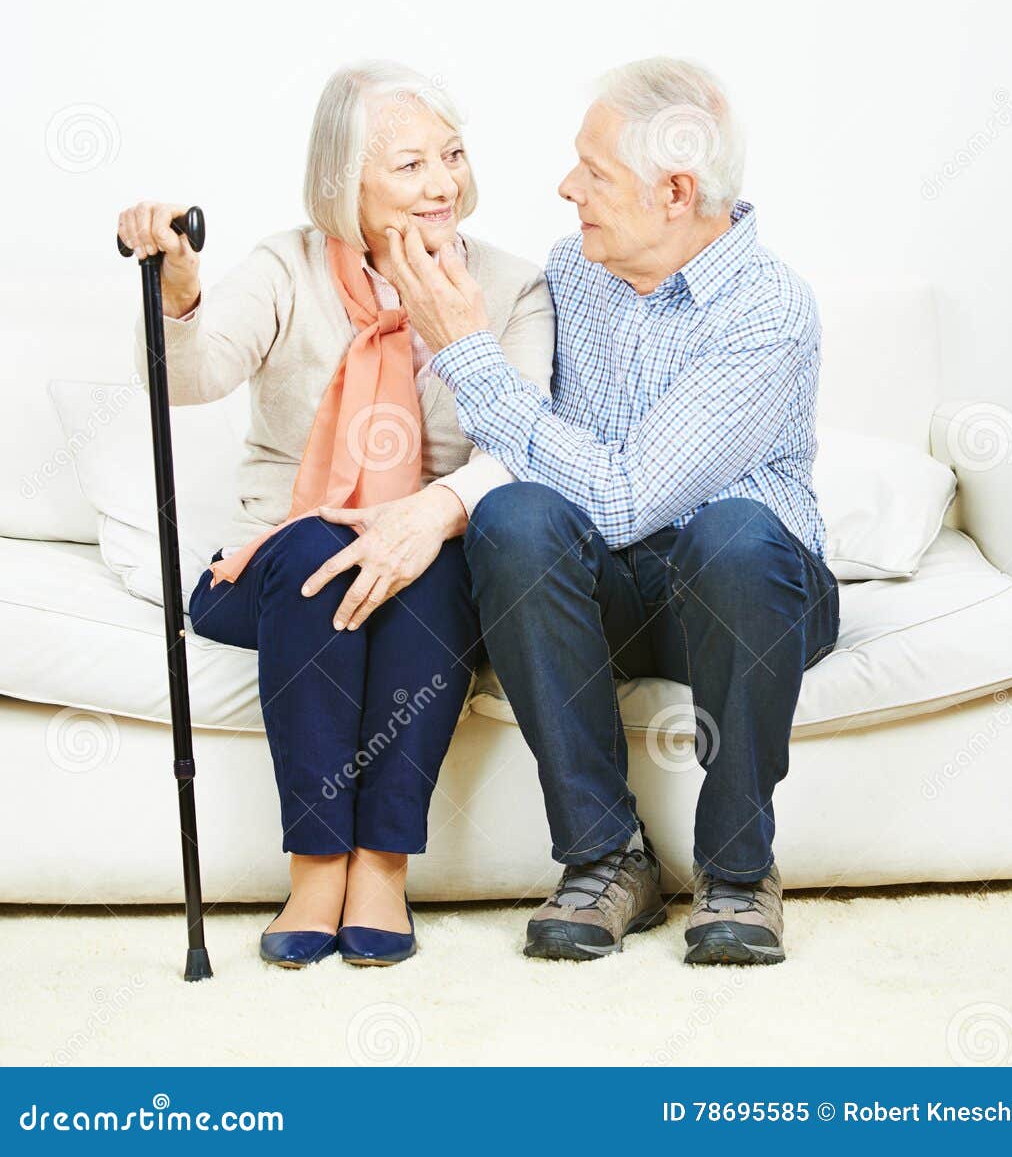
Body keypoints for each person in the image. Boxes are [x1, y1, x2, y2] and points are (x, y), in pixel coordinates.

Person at [382, 56, 838, 967]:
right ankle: (606, 859)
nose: (566, 188)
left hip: (750, 599)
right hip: (614, 596)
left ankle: (740, 874)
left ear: (675, 191)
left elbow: (627, 497)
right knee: (514, 518)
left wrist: (467, 351)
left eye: (594, 173)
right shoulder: (574, 271)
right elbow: (552, 474)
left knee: (734, 535)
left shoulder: (768, 308)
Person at [118, 62, 553, 969]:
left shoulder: (511, 288)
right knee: (325, 548)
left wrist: (422, 516)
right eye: (410, 165)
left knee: (426, 561)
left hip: (430, 566)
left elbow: (524, 446)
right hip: (273, 569)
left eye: (454, 156)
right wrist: (180, 291)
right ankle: (316, 862)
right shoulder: (286, 267)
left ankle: (381, 866)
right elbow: (193, 377)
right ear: (340, 179)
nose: (443, 184)